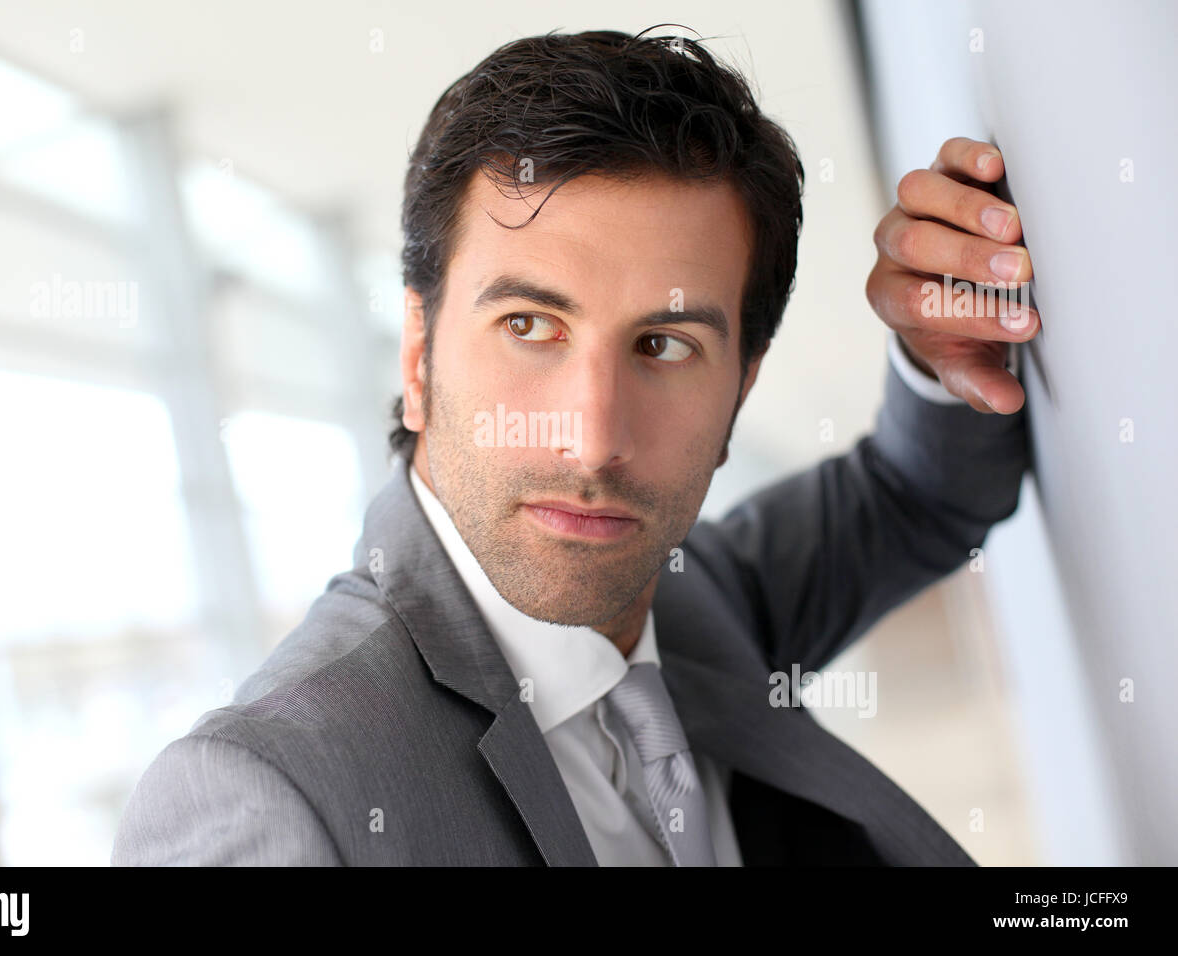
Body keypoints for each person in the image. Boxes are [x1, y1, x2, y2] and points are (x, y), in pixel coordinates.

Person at [112, 28, 1037, 865]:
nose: (591, 441)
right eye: (529, 325)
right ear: (420, 353)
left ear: (742, 387)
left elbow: (917, 496)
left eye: (666, 346)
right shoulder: (275, 790)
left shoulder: (700, 606)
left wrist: (936, 351)